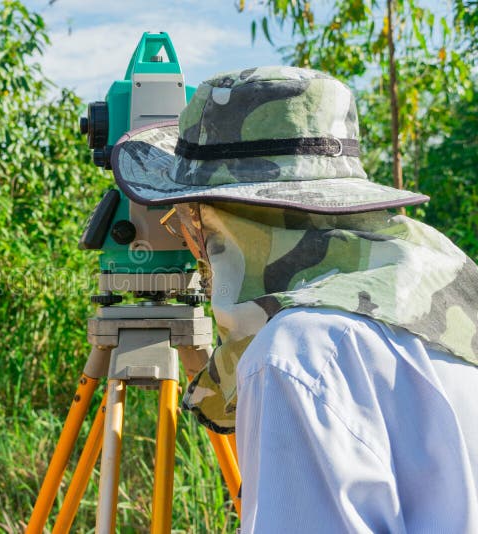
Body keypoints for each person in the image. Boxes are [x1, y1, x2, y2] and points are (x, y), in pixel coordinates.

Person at [110, 66, 478, 533]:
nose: (186, 243)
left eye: (183, 221)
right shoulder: (445, 296)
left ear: (217, 224)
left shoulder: (296, 356)